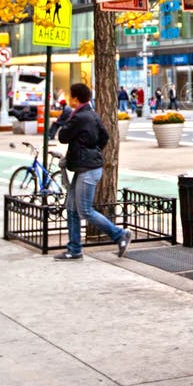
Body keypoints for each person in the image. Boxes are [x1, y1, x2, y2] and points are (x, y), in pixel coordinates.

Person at [55, 82, 132, 260]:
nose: (69, 98)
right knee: (72, 209)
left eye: (70, 95)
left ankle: (120, 234)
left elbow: (63, 136)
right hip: (86, 167)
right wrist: (93, 149)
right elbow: (104, 137)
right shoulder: (92, 114)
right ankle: (74, 249)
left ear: (75, 98)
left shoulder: (79, 116)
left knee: (85, 210)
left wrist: (86, 151)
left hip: (87, 169)